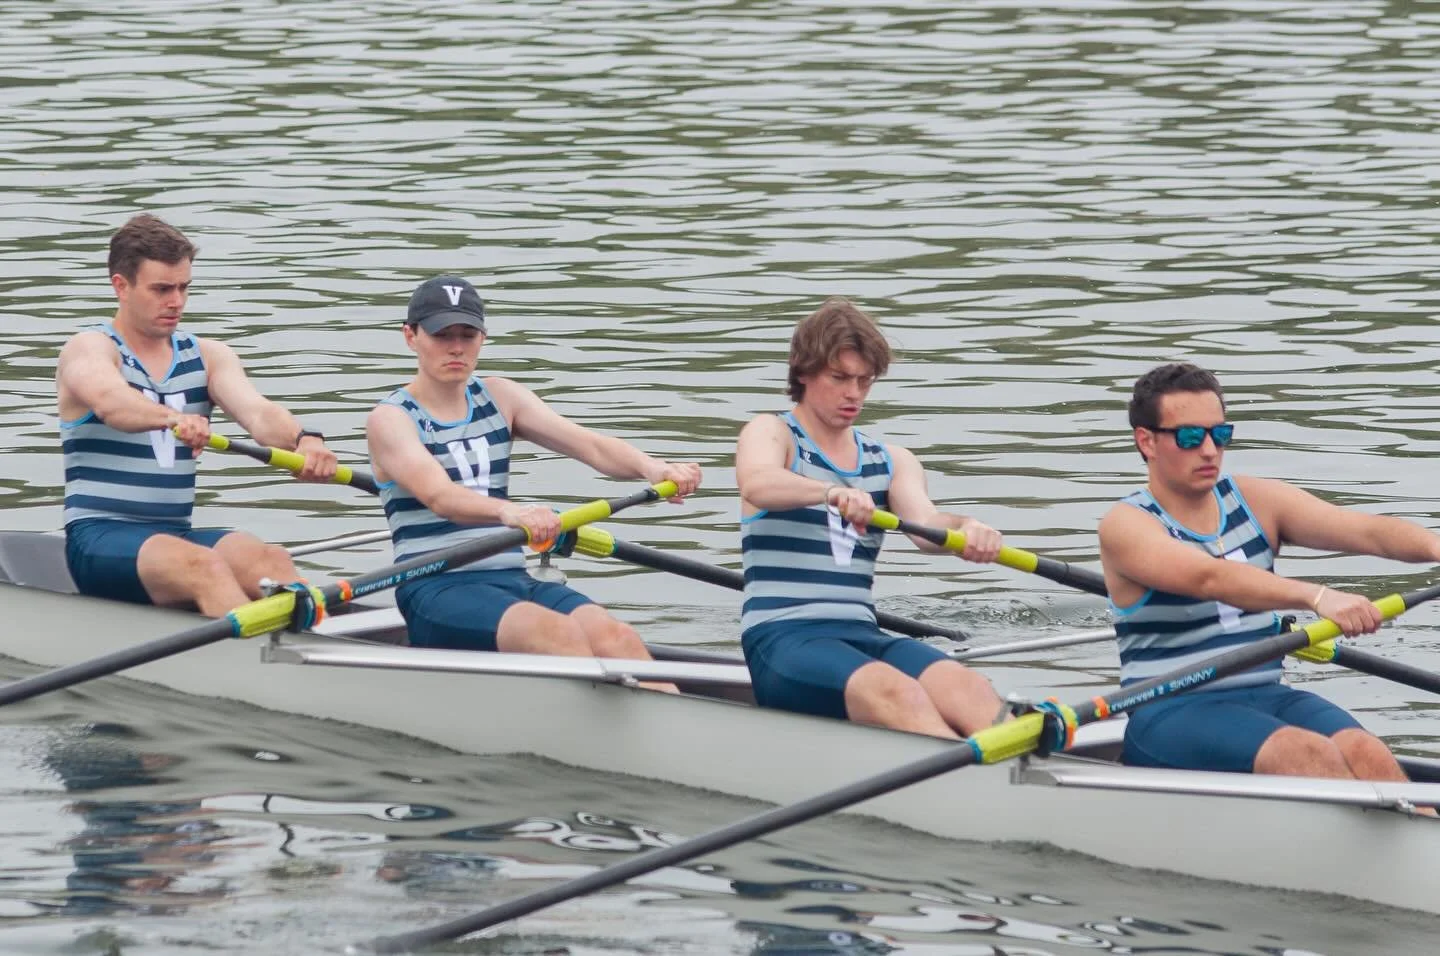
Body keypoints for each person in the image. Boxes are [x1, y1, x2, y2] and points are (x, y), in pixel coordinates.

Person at [1099, 361, 1440, 780]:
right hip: (1170, 711)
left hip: (1266, 696)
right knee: (1304, 752)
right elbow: (1211, 578)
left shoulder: (1254, 500)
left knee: (1367, 751)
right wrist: (1317, 597)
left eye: (1220, 434)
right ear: (1146, 441)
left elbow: (1367, 532)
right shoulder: (1127, 525)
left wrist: (1435, 547)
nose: (1209, 450)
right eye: (1190, 436)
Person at [366, 275, 702, 676]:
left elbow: (590, 446)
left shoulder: (501, 397)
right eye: (442, 335)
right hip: (435, 587)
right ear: (411, 337)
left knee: (619, 639)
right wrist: (512, 513)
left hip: (511, 578)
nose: (456, 347)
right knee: (558, 636)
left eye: (467, 334)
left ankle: (660, 722)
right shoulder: (391, 419)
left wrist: (654, 468)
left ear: (483, 338)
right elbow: (440, 497)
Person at [734, 297, 1005, 737]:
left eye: (865, 380)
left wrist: (968, 528)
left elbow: (928, 528)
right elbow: (758, 483)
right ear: (803, 372)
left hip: (861, 633)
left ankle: (1019, 776)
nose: (854, 394)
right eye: (840, 378)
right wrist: (829, 491)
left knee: (968, 687)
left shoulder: (891, 460)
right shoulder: (773, 433)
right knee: (897, 692)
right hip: (782, 638)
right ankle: (973, 786)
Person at [56, 214, 338, 616]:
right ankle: (255, 665)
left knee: (271, 562)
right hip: (100, 538)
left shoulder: (207, 356)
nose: (176, 302)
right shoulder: (90, 348)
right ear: (121, 286)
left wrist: (305, 441)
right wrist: (171, 419)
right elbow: (110, 401)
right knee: (206, 567)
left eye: (184, 288)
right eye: (161, 289)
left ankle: (318, 648)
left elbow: (258, 414)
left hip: (176, 536)